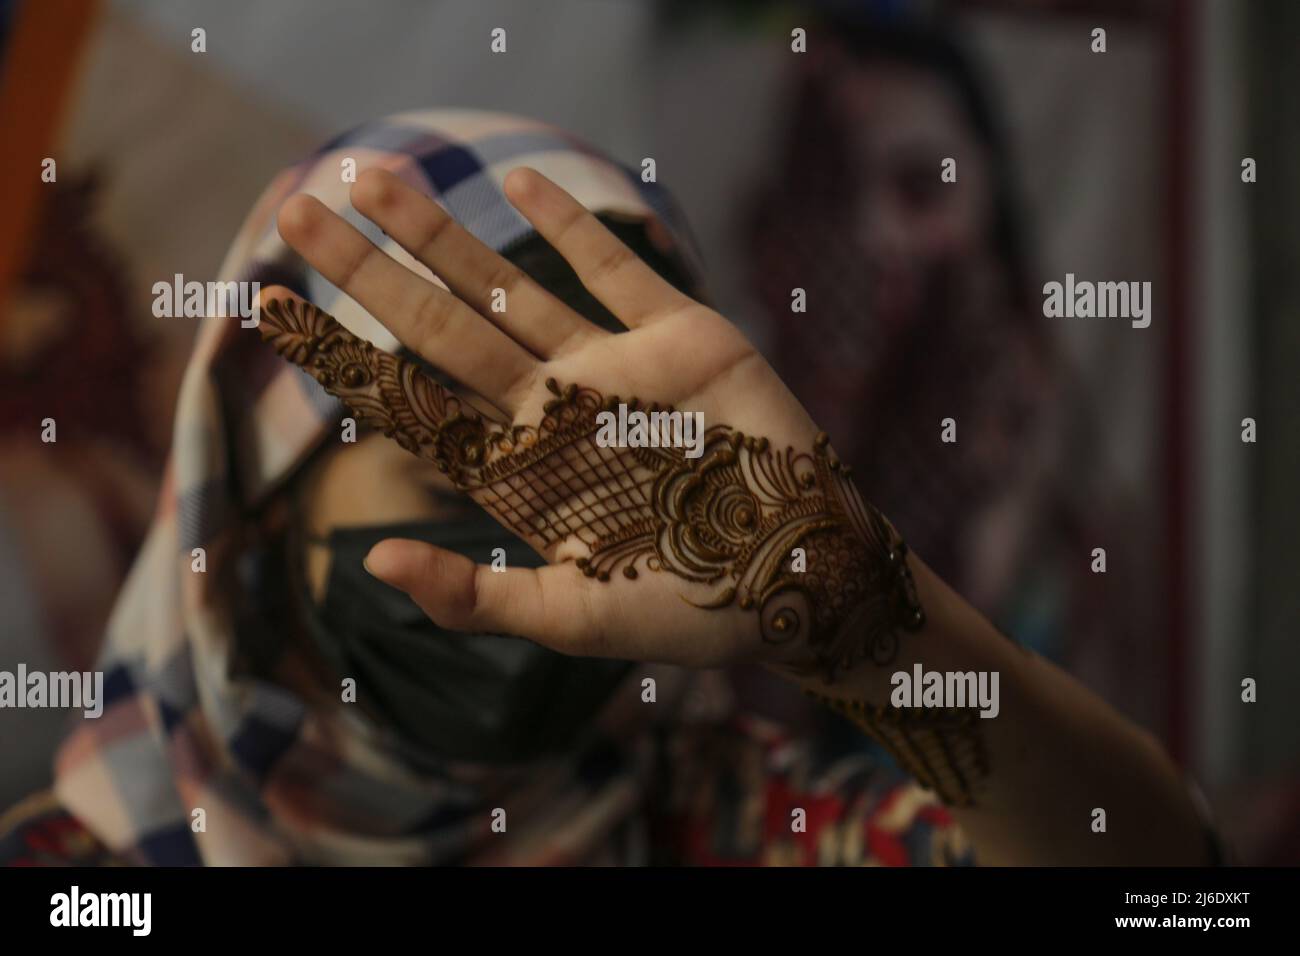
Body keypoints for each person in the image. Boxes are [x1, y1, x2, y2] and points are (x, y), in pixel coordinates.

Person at [0, 109, 1216, 866]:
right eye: (450, 465)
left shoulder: (732, 824)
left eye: (614, 479)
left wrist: (866, 623)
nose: (543, 556)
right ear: (256, 503)